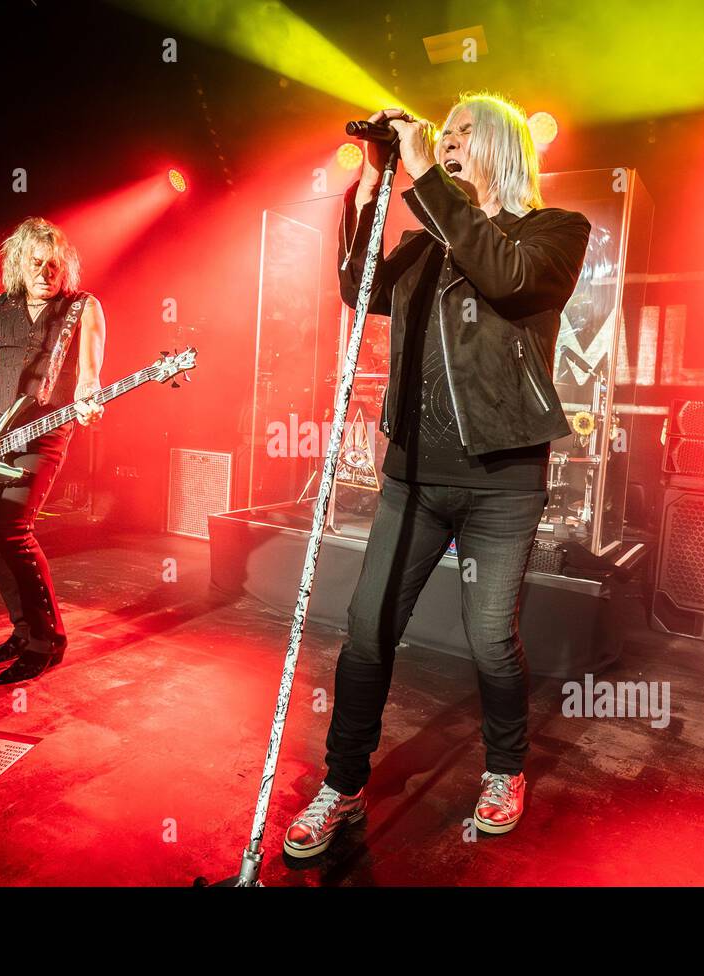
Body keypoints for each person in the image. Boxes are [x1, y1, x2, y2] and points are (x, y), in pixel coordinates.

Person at [284, 93, 591, 857]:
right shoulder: (424, 243)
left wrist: (425, 174)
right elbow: (360, 295)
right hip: (415, 473)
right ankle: (343, 786)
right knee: (366, 631)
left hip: (502, 482)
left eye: (460, 132)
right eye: (439, 133)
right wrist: (368, 197)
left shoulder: (554, 233)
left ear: (499, 146)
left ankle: (505, 768)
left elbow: (508, 278)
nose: (443, 140)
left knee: (491, 639)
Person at [0, 217, 105, 683]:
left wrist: (88, 404)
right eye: (36, 263)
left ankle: (47, 639)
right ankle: (22, 627)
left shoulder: (83, 307)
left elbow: (89, 378)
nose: (45, 272)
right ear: (17, 262)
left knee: (12, 528)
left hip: (45, 431)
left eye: (54, 265)